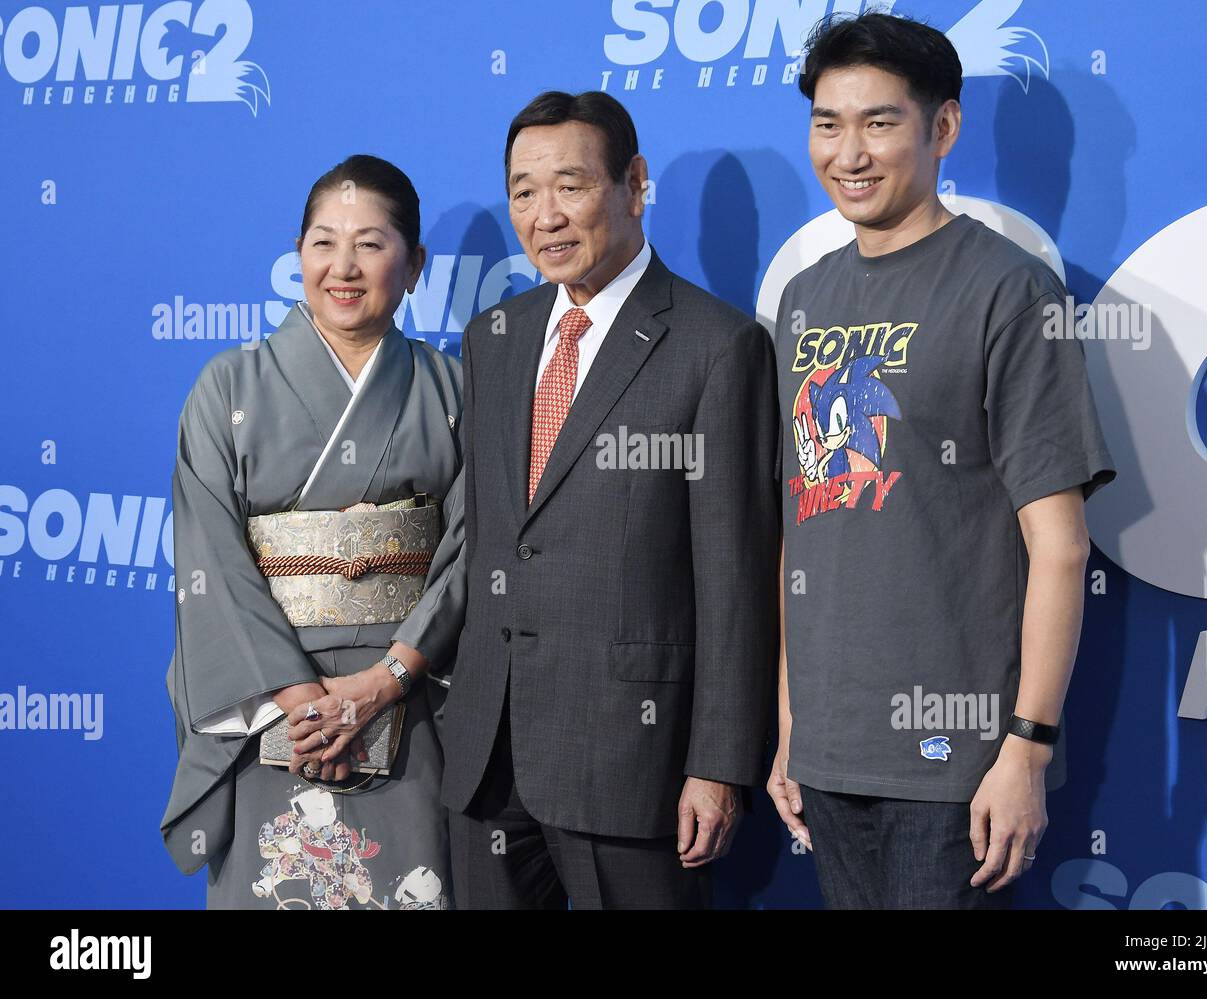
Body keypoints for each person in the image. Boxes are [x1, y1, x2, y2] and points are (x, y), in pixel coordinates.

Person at [767, 12, 1116, 909]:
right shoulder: (805, 299)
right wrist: (790, 726)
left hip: (953, 763)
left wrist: (1027, 746)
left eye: (880, 122)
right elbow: (800, 534)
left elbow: (1061, 546)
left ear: (944, 128)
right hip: (828, 754)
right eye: (828, 124)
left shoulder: (1007, 287)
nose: (850, 152)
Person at [442, 90, 781, 909]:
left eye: (570, 184)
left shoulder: (717, 346)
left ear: (634, 183)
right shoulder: (495, 337)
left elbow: (735, 576)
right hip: (489, 753)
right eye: (523, 191)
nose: (544, 215)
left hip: (635, 762)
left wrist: (718, 763)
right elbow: (493, 537)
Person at [160, 155, 466, 910]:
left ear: (416, 263)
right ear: (297, 255)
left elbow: (474, 552)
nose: (344, 266)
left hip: (411, 700)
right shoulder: (227, 388)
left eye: (371, 243)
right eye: (323, 242)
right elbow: (212, 562)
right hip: (272, 710)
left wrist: (383, 683)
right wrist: (303, 702)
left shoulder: (455, 389)